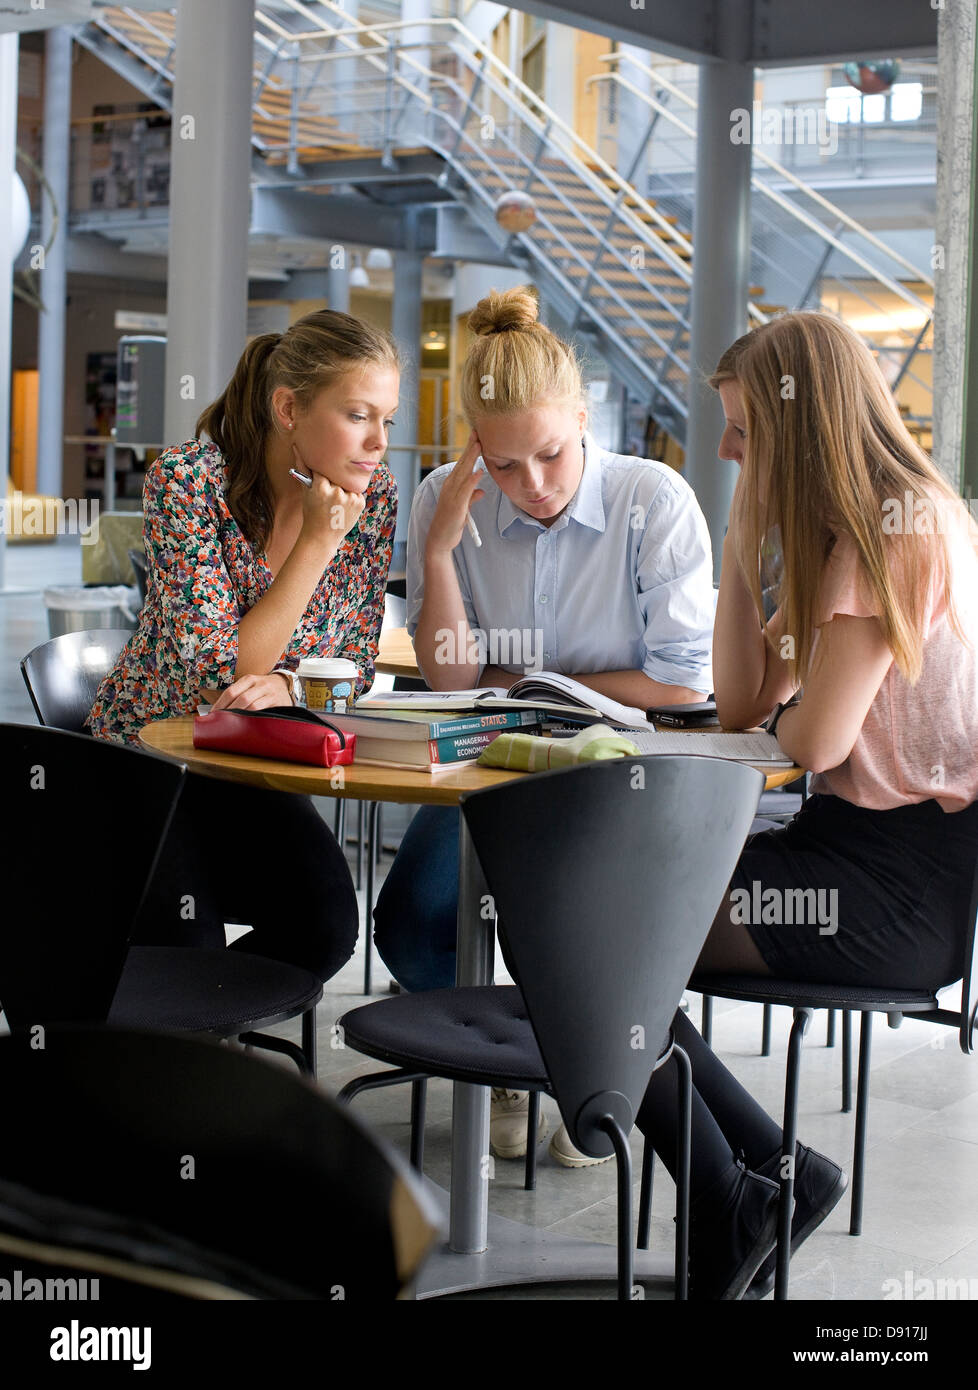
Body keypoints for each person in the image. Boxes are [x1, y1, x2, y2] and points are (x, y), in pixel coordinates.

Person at [635, 309, 978, 1298]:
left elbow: (813, 740)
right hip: (841, 854)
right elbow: (746, 700)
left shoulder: (893, 532)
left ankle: (747, 1191)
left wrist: (790, 707)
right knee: (598, 937)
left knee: (602, 941)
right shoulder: (849, 530)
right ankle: (767, 1183)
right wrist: (744, 535)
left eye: (743, 430)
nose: (730, 448)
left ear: (802, 420)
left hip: (892, 888)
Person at [372, 286, 716, 1165]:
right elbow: (451, 675)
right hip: (493, 765)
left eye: (551, 456)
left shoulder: (653, 499)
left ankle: (571, 1072)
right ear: (473, 448)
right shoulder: (446, 502)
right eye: (505, 464)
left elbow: (680, 682)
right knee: (412, 923)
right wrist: (445, 547)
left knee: (554, 925)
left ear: (583, 415)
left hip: (618, 771)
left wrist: (522, 678)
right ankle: (527, 1068)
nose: (532, 486)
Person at [88, 309, 401, 981]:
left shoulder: (372, 499)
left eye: (388, 421)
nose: (378, 443)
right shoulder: (187, 483)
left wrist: (290, 685)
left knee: (325, 924)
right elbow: (220, 674)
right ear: (288, 408)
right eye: (358, 415)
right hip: (147, 758)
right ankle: (169, 1038)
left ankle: (199, 1035)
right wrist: (318, 543)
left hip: (247, 758)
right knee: (183, 942)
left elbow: (359, 660)